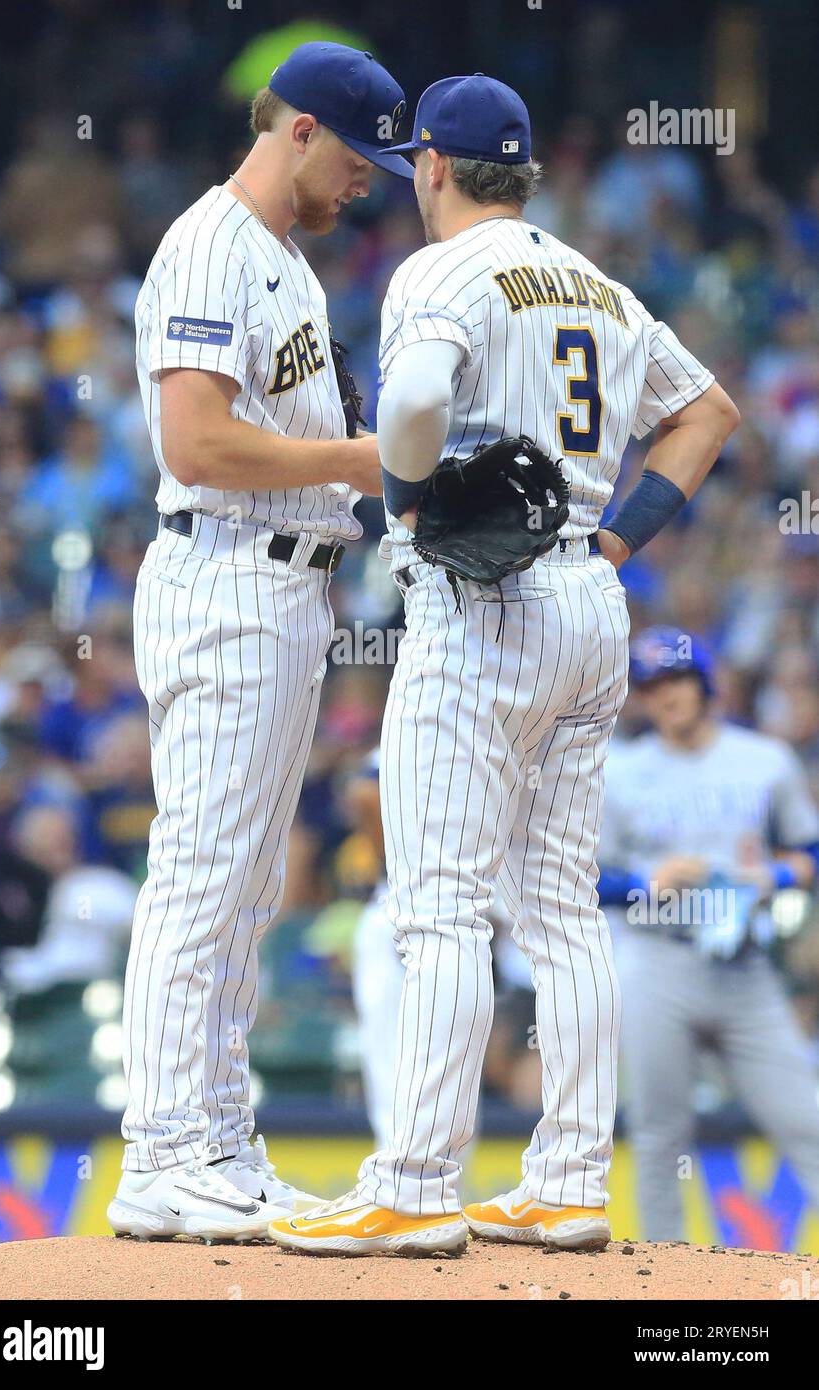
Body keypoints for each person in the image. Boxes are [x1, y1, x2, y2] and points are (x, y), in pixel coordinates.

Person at [269, 73, 739, 1258]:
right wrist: (623, 533)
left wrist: (407, 501)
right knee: (563, 914)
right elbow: (708, 413)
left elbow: (418, 394)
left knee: (437, 908)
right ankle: (569, 1180)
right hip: (588, 594)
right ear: (517, 173)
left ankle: (417, 1183)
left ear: (430, 166)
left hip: (483, 604)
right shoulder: (596, 282)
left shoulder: (441, 270)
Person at [108, 42, 413, 1245]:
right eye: (355, 155)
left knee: (242, 891)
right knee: (201, 877)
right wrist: (362, 456)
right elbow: (195, 443)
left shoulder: (281, 258)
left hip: (285, 588)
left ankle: (218, 1136)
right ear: (296, 130)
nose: (369, 182)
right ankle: (162, 1152)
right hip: (227, 571)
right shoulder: (211, 244)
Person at [602, 626, 819, 1242]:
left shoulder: (764, 760)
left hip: (743, 967)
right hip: (657, 961)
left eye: (673, 679)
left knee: (807, 1119)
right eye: (650, 685)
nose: (663, 695)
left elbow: (811, 851)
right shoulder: (621, 771)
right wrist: (644, 880)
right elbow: (583, 880)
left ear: (703, 683)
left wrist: (774, 874)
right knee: (657, 1132)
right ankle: (661, 1277)